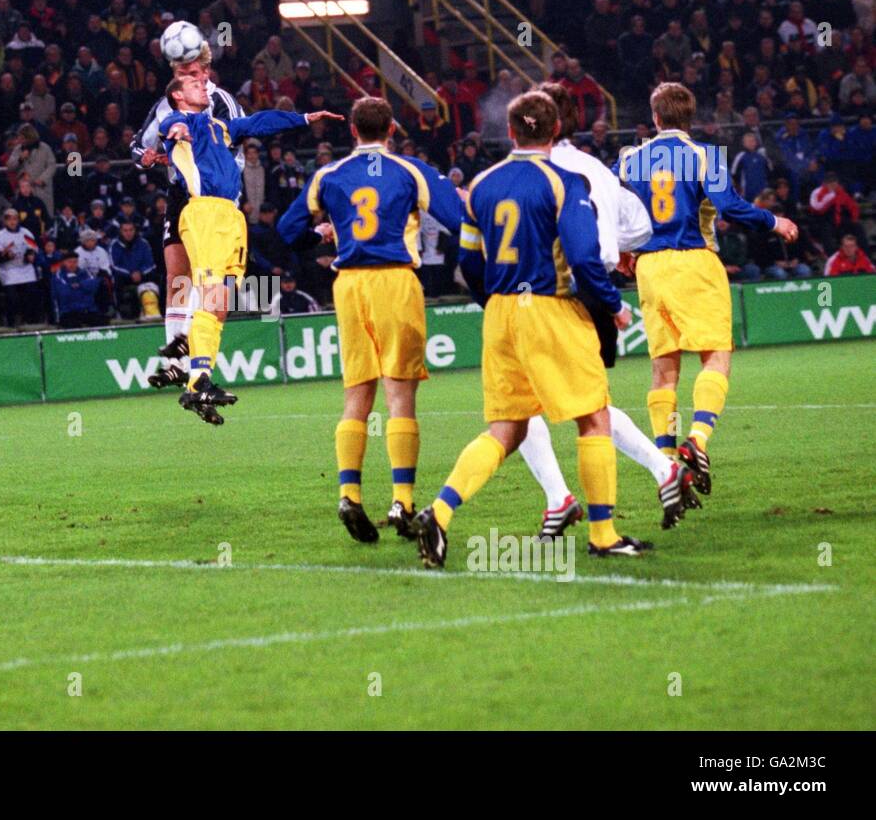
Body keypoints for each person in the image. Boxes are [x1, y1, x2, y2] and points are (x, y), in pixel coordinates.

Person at [414, 90, 643, 568]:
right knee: (594, 416)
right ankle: (603, 533)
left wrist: (494, 303)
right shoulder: (565, 181)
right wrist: (613, 304)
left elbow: (469, 261)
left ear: (512, 131)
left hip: (500, 312)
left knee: (507, 428)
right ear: (555, 131)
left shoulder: (481, 185)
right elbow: (583, 258)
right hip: (548, 307)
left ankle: (438, 511)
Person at [277, 96, 465, 540]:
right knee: (400, 396)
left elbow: (287, 231)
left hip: (348, 285)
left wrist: (320, 233)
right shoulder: (409, 170)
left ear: (352, 131)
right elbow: (457, 218)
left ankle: (350, 494)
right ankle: (402, 501)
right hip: (395, 281)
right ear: (393, 129)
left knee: (356, 395)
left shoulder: (329, 175)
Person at [519, 83, 698, 536]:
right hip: (597, 290)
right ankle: (662, 471)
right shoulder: (596, 168)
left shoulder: (533, 169)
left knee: (523, 403)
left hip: (552, 292)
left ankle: (567, 501)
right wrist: (613, 247)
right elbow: (639, 225)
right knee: (586, 404)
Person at [614, 83, 797, 498]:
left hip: (650, 268)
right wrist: (774, 221)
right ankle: (696, 438)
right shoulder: (705, 156)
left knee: (664, 371)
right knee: (715, 356)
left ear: (656, 118)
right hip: (694, 261)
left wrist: (623, 248)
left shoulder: (628, 159)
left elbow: (610, 207)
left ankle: (667, 468)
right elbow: (729, 207)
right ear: (689, 118)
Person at [159, 75, 341, 423]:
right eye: (193, 84)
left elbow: (261, 122)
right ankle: (192, 374)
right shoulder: (183, 122)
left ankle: (199, 379)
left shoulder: (221, 128)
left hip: (232, 216)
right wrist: (177, 130)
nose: (203, 85)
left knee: (221, 304)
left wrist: (304, 118)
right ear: (178, 96)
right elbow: (173, 123)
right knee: (209, 293)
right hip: (205, 212)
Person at [132, 43, 246, 390]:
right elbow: (137, 146)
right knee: (176, 277)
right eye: (181, 71)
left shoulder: (223, 102)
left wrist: (187, 140)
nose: (188, 76)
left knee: (208, 283)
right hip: (182, 192)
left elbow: (232, 141)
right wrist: (148, 158)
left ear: (206, 71)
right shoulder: (167, 104)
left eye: (193, 71)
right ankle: (176, 362)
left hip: (216, 196)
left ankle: (197, 359)